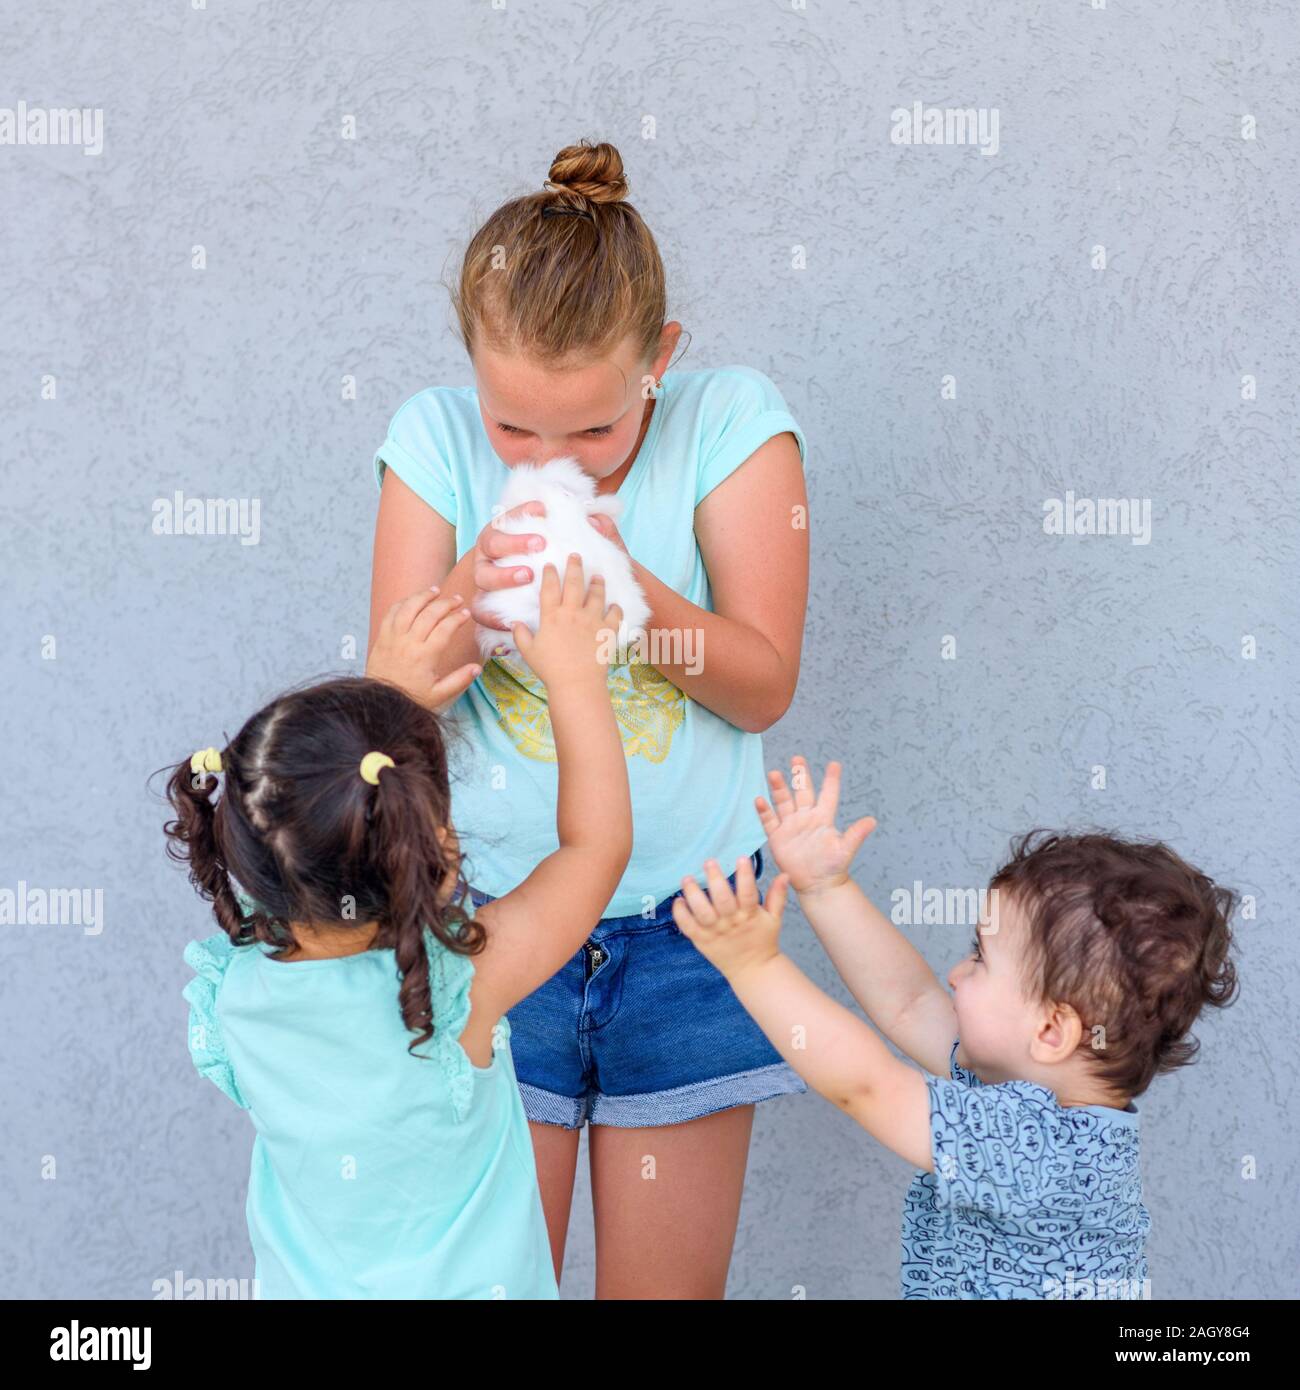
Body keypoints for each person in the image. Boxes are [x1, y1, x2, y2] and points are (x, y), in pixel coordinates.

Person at [368, 137, 810, 1296]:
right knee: (492, 1281)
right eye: (514, 430)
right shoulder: (430, 440)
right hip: (490, 933)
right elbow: (386, 706)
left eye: (595, 434)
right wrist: (472, 586)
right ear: (471, 376)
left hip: (697, 930)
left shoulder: (732, 425)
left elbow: (763, 682)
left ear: (660, 360)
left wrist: (639, 598)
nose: (551, 460)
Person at [169, 559, 631, 1297]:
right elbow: (597, 848)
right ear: (437, 847)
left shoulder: (232, 996)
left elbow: (323, 826)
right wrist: (577, 680)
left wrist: (382, 711)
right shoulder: (461, 988)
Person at [673, 755, 1240, 1299]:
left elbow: (869, 1086)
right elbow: (908, 1001)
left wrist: (754, 966)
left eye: (980, 958)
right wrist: (824, 887)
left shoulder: (1040, 1146)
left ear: (1051, 1031)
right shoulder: (1021, 1087)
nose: (955, 973)